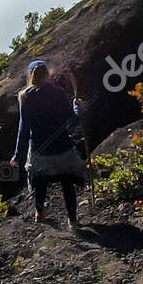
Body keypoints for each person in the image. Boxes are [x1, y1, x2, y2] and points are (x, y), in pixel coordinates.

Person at [10, 59, 87, 229]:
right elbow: (72, 121)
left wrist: (17, 155)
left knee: (39, 179)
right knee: (67, 182)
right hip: (63, 148)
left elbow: (24, 129)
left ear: (31, 76)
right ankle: (73, 221)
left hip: (40, 151)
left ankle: (40, 213)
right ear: (48, 74)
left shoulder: (25, 96)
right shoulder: (58, 93)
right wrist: (77, 109)